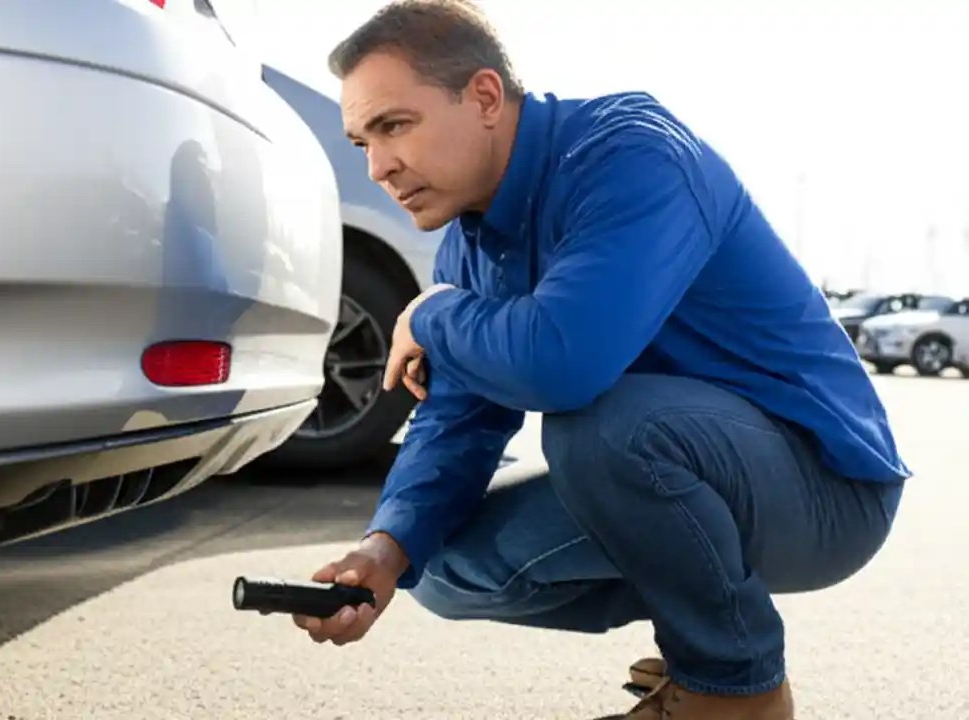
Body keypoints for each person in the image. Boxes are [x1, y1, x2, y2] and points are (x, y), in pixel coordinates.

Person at [288, 1, 909, 718]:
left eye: (394, 126)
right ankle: (701, 632)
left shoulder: (632, 156)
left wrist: (431, 314)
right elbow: (457, 421)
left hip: (824, 490)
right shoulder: (470, 243)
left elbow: (564, 363)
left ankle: (735, 687)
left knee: (601, 426)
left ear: (485, 97)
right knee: (441, 567)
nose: (377, 166)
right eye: (362, 140)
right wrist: (383, 550)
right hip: (691, 479)